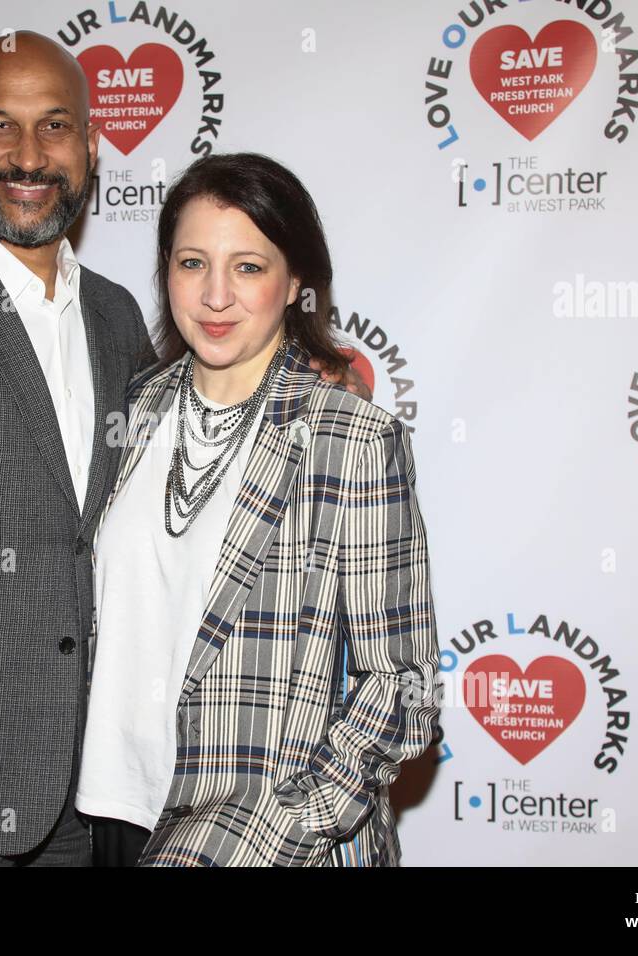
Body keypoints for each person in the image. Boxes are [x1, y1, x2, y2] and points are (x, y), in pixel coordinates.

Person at [0, 29, 375, 867]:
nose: (29, 156)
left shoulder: (112, 317)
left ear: (93, 147)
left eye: (55, 127)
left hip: (94, 808)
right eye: (1, 126)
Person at [75, 153, 440, 866]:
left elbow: (401, 686)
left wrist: (288, 828)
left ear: (296, 281)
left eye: (247, 266)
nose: (216, 296)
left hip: (264, 841)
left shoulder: (352, 439)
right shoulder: (131, 412)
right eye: (191, 263)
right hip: (113, 816)